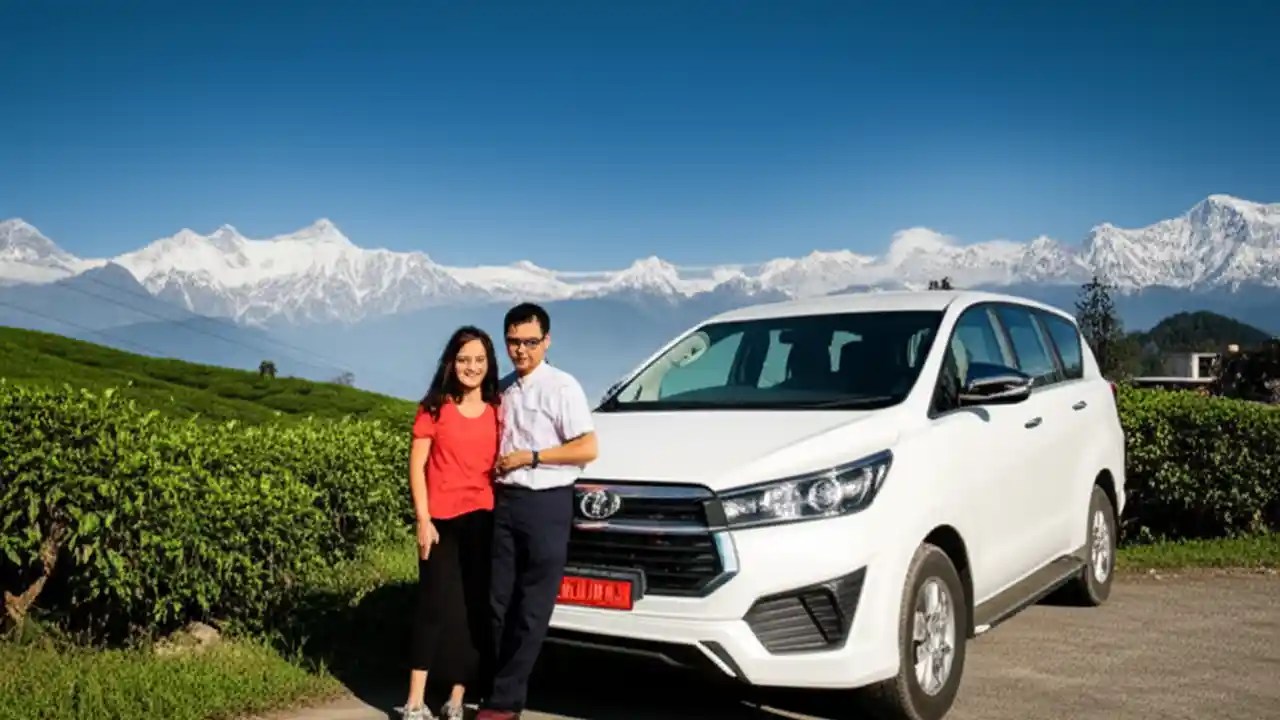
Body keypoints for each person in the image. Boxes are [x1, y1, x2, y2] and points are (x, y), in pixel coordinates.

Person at [476, 302, 599, 720]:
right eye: (513, 342)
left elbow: (587, 447)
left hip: (547, 502)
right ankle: (497, 686)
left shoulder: (563, 387)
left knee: (531, 604)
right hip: (506, 501)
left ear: (547, 341)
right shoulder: (504, 387)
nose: (521, 350)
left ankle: (505, 702)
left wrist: (532, 457)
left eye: (530, 342)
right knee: (497, 601)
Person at [397, 325, 503, 720]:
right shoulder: (435, 408)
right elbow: (417, 465)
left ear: (489, 364)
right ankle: (414, 701)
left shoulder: (498, 410)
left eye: (478, 360)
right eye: (463, 359)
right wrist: (422, 519)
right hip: (440, 521)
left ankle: (456, 700)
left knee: (471, 610)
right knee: (432, 608)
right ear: (450, 363)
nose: (471, 367)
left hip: (483, 520)